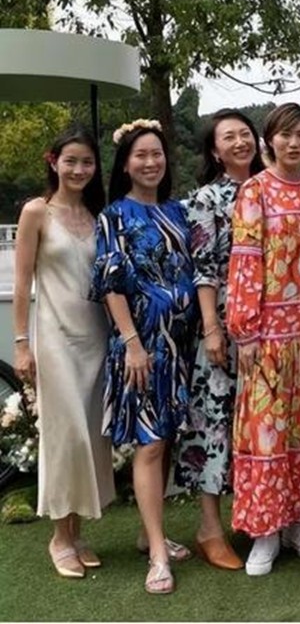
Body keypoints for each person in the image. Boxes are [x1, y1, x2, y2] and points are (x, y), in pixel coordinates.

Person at [226, 103, 300, 577]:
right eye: (285, 135)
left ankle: (297, 522)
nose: (294, 144)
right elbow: (246, 261)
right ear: (269, 140)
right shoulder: (254, 191)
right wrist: (245, 330)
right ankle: (264, 531)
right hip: (269, 335)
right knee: (266, 432)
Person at [89, 119, 198, 594]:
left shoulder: (178, 211)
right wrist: (131, 343)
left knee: (169, 436)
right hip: (143, 346)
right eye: (141, 155)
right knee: (150, 443)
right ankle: (157, 552)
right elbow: (111, 282)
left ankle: (147, 532)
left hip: (183, 343)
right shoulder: (114, 215)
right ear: (126, 164)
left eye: (157, 154)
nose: (150, 162)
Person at [12, 129, 115, 579]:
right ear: (54, 162)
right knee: (65, 435)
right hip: (54, 338)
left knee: (90, 438)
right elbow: (21, 284)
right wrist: (21, 343)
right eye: (70, 161)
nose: (78, 170)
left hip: (96, 338)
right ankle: (58, 536)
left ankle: (76, 533)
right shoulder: (36, 211)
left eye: (87, 162)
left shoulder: (97, 216)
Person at [174, 110, 265, 571]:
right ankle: (210, 526)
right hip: (225, 322)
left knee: (263, 420)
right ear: (214, 149)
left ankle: (263, 516)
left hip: (274, 322)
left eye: (245, 133)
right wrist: (212, 328)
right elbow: (203, 267)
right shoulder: (208, 198)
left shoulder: (272, 186)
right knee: (213, 420)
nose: (239, 142)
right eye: (228, 137)